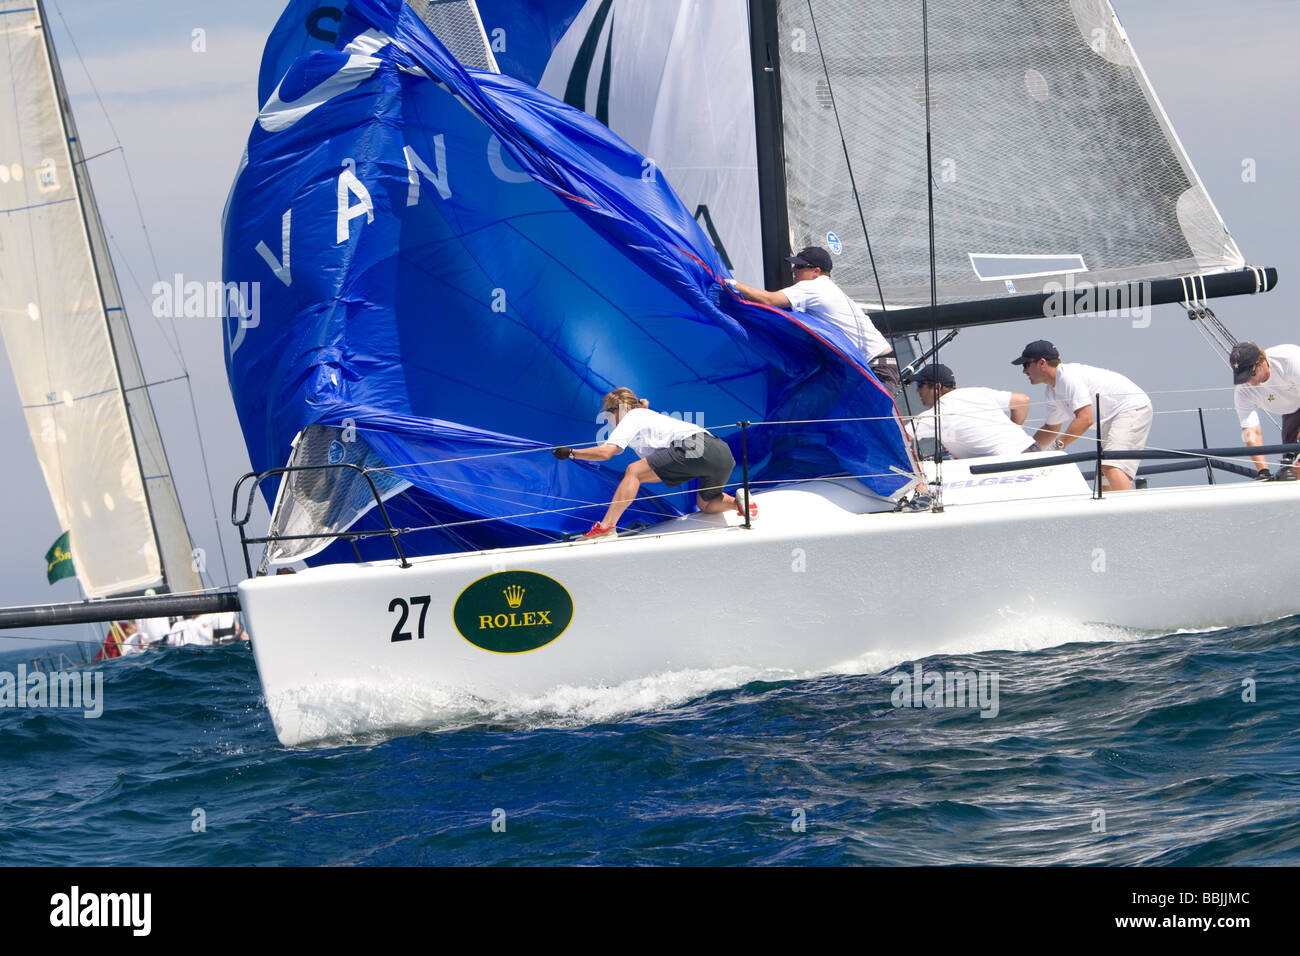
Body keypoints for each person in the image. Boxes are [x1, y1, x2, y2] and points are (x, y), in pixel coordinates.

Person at [553, 387, 752, 541]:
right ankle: (741, 502)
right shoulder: (645, 415)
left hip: (694, 445)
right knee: (707, 504)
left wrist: (571, 453)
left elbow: (606, 452)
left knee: (634, 471)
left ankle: (606, 527)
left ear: (618, 410)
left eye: (608, 415)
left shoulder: (631, 416)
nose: (608, 420)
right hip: (721, 451)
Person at [727, 246, 901, 398]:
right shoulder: (826, 288)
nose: (793, 270)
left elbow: (769, 300)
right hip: (871, 365)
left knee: (870, 425)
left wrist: (732, 284)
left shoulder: (814, 287)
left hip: (876, 367)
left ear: (816, 271)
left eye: (800, 266)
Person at [1013, 340, 1152, 491]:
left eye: (1026, 365)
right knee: (1104, 479)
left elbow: (1085, 419)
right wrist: (1027, 453)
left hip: (1131, 408)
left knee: (1111, 466)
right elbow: (1051, 427)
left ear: (1042, 363)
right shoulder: (1052, 390)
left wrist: (1057, 446)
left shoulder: (1067, 378)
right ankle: (1115, 513)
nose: (1024, 371)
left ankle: (1132, 511)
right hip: (1114, 418)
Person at [904, 363, 1032, 458]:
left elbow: (901, 436)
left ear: (937, 387)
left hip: (1006, 463)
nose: (918, 390)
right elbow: (1022, 400)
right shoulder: (977, 392)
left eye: (920, 385)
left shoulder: (939, 413)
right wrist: (1014, 431)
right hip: (1033, 451)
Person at [1230, 341, 1300, 480]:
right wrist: (1263, 471)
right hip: (1291, 411)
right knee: (1290, 469)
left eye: (1250, 374)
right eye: (1242, 377)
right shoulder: (1243, 391)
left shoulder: (1291, 360)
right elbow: (1251, 432)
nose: (1248, 381)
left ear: (1261, 362)